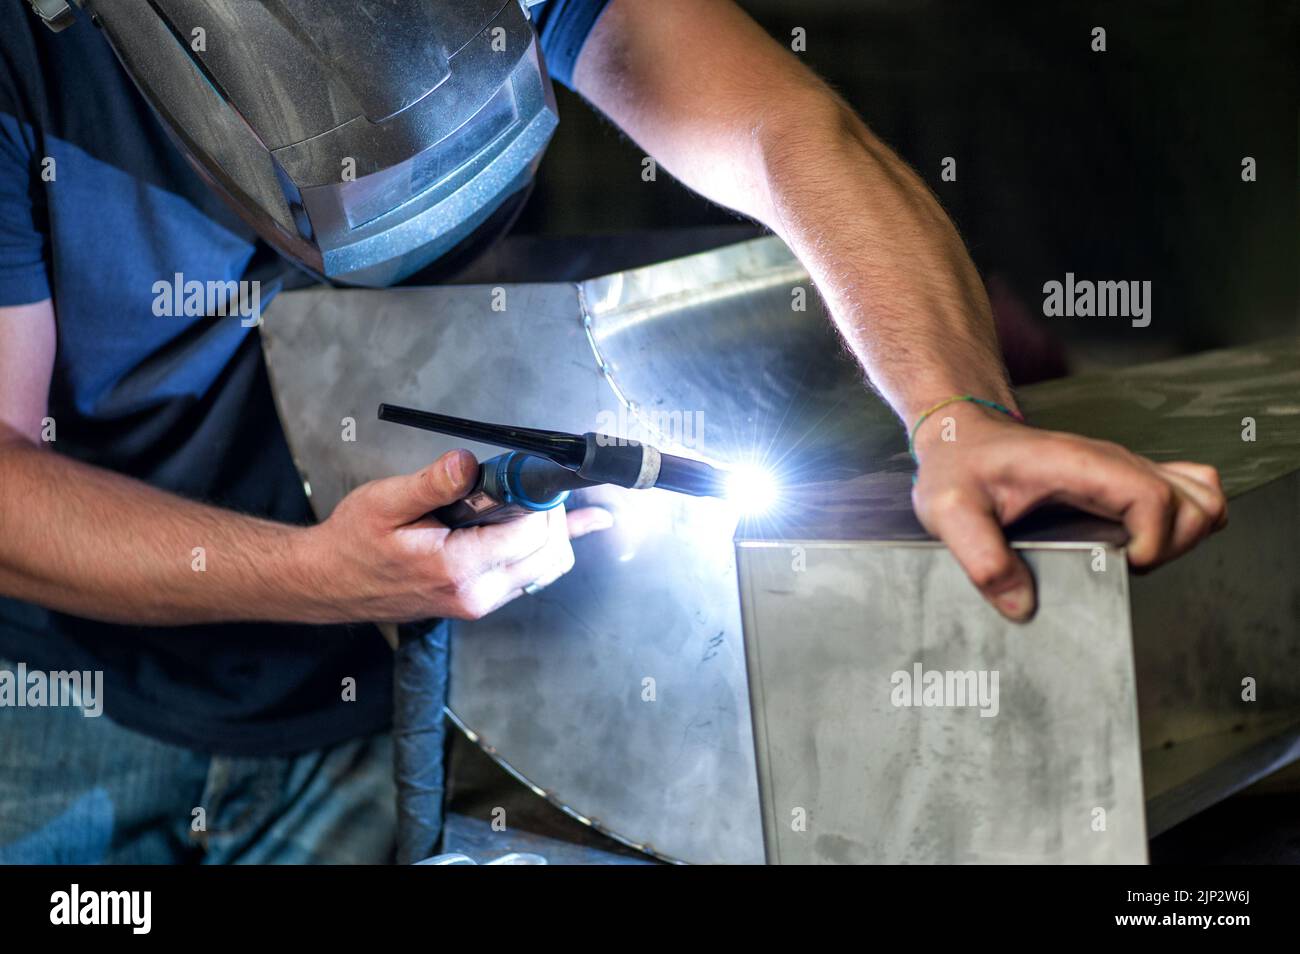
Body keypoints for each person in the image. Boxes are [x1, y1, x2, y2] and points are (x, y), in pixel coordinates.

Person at [0, 0, 1225, 864]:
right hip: (61, 707)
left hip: (379, 688)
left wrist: (956, 411)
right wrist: (311, 577)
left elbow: (789, 135)